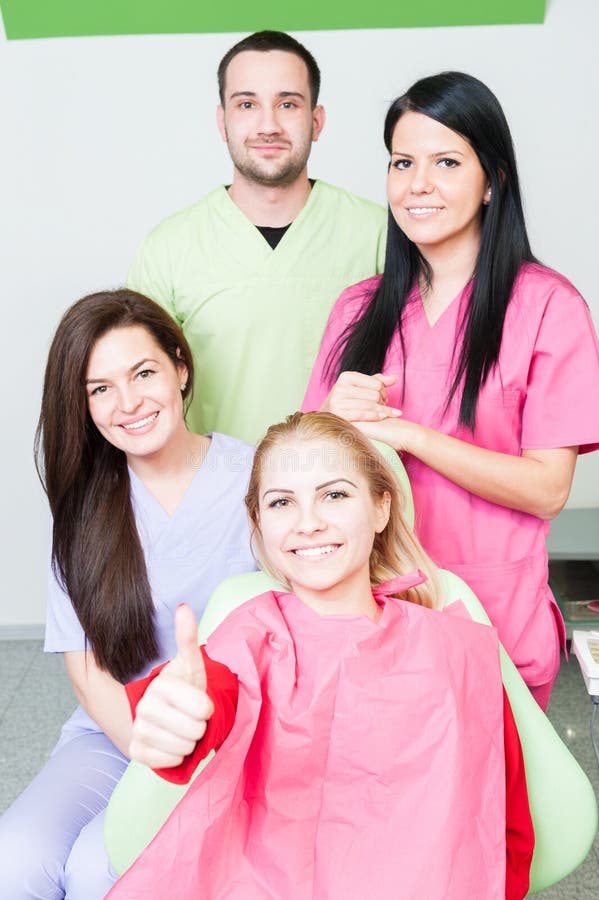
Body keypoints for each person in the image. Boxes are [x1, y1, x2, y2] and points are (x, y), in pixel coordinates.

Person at [108, 412, 533, 900]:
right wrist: (172, 711)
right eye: (282, 502)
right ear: (259, 522)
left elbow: (505, 827)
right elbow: (210, 693)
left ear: (380, 509)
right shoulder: (253, 636)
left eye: (334, 494)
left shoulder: (456, 649)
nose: (308, 523)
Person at [302, 72, 599, 710]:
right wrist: (331, 421)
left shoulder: (549, 307)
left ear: (491, 180)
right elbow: (307, 475)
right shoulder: (357, 311)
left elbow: (547, 488)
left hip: (498, 623)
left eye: (446, 161)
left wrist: (411, 435)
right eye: (402, 162)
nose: (418, 184)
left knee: (493, 811)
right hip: (374, 618)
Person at [0, 290, 255, 900]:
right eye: (101, 389)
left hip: (228, 743)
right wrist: (148, 755)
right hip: (113, 733)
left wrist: (180, 764)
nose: (129, 403)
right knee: (15, 860)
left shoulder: (256, 480)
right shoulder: (84, 512)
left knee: (100, 868)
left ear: (180, 369)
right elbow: (87, 672)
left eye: (144, 373)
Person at [127, 30, 387, 445]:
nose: (268, 125)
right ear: (222, 121)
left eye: (288, 104)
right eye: (247, 104)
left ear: (316, 120)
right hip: (212, 492)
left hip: (341, 490)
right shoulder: (168, 249)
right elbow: (139, 391)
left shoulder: (379, 235)